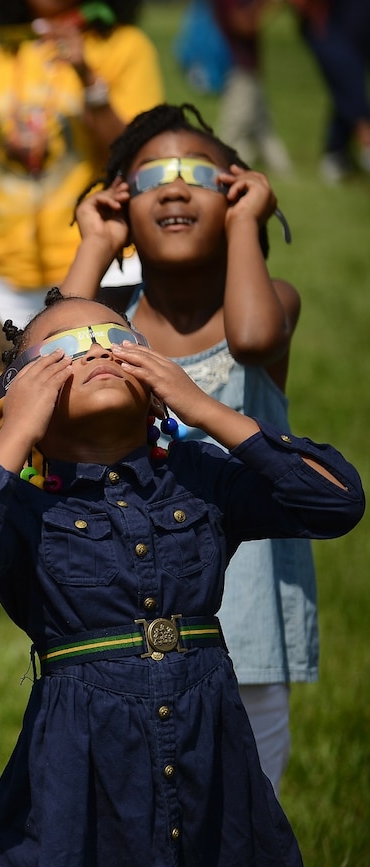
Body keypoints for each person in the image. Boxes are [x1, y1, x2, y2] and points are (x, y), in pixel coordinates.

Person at [0, 295, 364, 867]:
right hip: (83, 774)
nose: (96, 351)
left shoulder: (197, 473)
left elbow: (336, 503)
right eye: (64, 350)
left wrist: (203, 409)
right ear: (26, 389)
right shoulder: (19, 506)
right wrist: (16, 429)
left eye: (116, 340)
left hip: (213, 766)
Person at [59, 103, 311, 794]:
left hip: (246, 616)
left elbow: (253, 342)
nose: (173, 188)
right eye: (150, 179)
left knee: (245, 811)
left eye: (198, 174)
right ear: (121, 206)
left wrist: (246, 224)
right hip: (122, 612)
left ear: (236, 192)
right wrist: (93, 248)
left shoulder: (270, 303)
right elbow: (46, 360)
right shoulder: (109, 318)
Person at [0, 0, 162, 329]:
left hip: (107, 267)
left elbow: (141, 154)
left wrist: (87, 79)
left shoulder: (123, 45)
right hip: (11, 278)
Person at [212, 0, 293, 177]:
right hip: (237, 67)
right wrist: (271, 5)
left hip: (247, 68)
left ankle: (285, 173)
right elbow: (244, 24)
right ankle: (222, 173)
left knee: (262, 127)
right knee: (233, 130)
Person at [292, 0, 370, 182]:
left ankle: (336, 152)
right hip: (324, 20)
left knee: (347, 82)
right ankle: (364, 140)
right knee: (347, 76)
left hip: (356, 20)